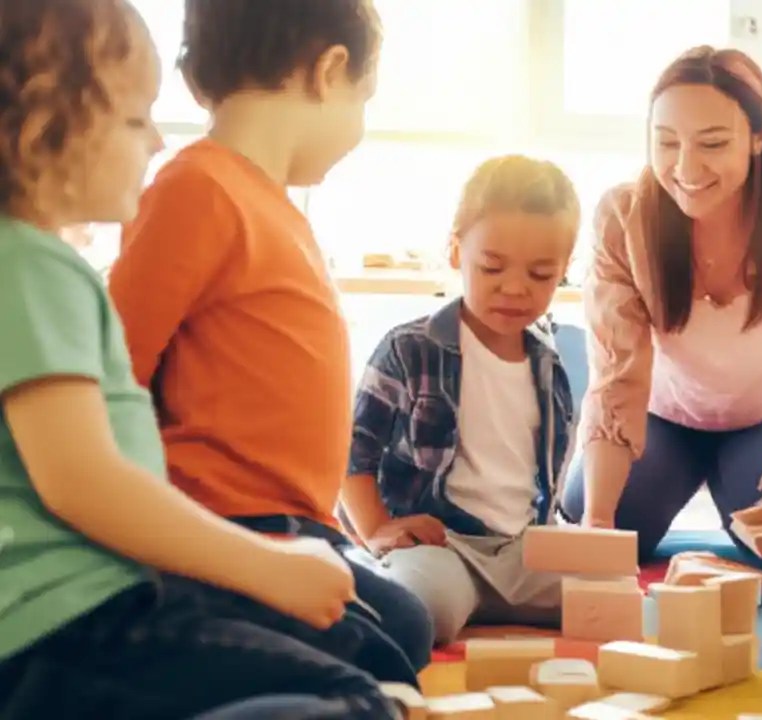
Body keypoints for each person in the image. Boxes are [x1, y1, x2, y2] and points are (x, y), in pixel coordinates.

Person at [0, 1, 404, 717]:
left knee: (387, 643)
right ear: (46, 128)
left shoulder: (44, 265)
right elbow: (85, 464)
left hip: (133, 585)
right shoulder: (36, 261)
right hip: (98, 607)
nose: (156, 141)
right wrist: (264, 565)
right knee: (366, 686)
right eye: (133, 121)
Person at [106, 0, 432, 671]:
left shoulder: (268, 203)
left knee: (405, 621)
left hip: (295, 525)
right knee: (378, 658)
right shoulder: (196, 187)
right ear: (330, 70)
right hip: (229, 524)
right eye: (363, 101)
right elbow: (111, 377)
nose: (359, 127)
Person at [561, 46, 762, 569]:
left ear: (759, 137)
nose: (685, 167)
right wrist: (599, 522)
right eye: (666, 142)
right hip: (659, 419)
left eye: (712, 143)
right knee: (595, 516)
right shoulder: (623, 215)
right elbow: (616, 371)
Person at [343, 155, 578, 644]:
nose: (515, 288)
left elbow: (542, 481)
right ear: (455, 252)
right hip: (442, 545)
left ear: (564, 271)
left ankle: (489, 599)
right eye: (492, 267)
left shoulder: (548, 365)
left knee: (616, 597)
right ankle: (384, 576)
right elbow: (351, 454)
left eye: (540, 274)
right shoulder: (409, 348)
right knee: (421, 612)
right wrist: (376, 529)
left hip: (521, 550)